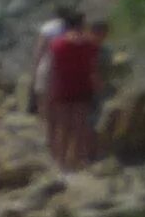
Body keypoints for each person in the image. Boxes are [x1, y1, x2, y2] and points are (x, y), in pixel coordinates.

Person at [45, 12, 105, 169]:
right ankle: (76, 160)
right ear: (82, 25)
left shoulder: (57, 44)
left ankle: (61, 161)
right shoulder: (89, 44)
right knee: (80, 124)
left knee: (63, 125)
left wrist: (50, 88)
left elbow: (53, 68)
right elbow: (93, 68)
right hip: (83, 85)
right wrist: (98, 84)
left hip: (63, 86)